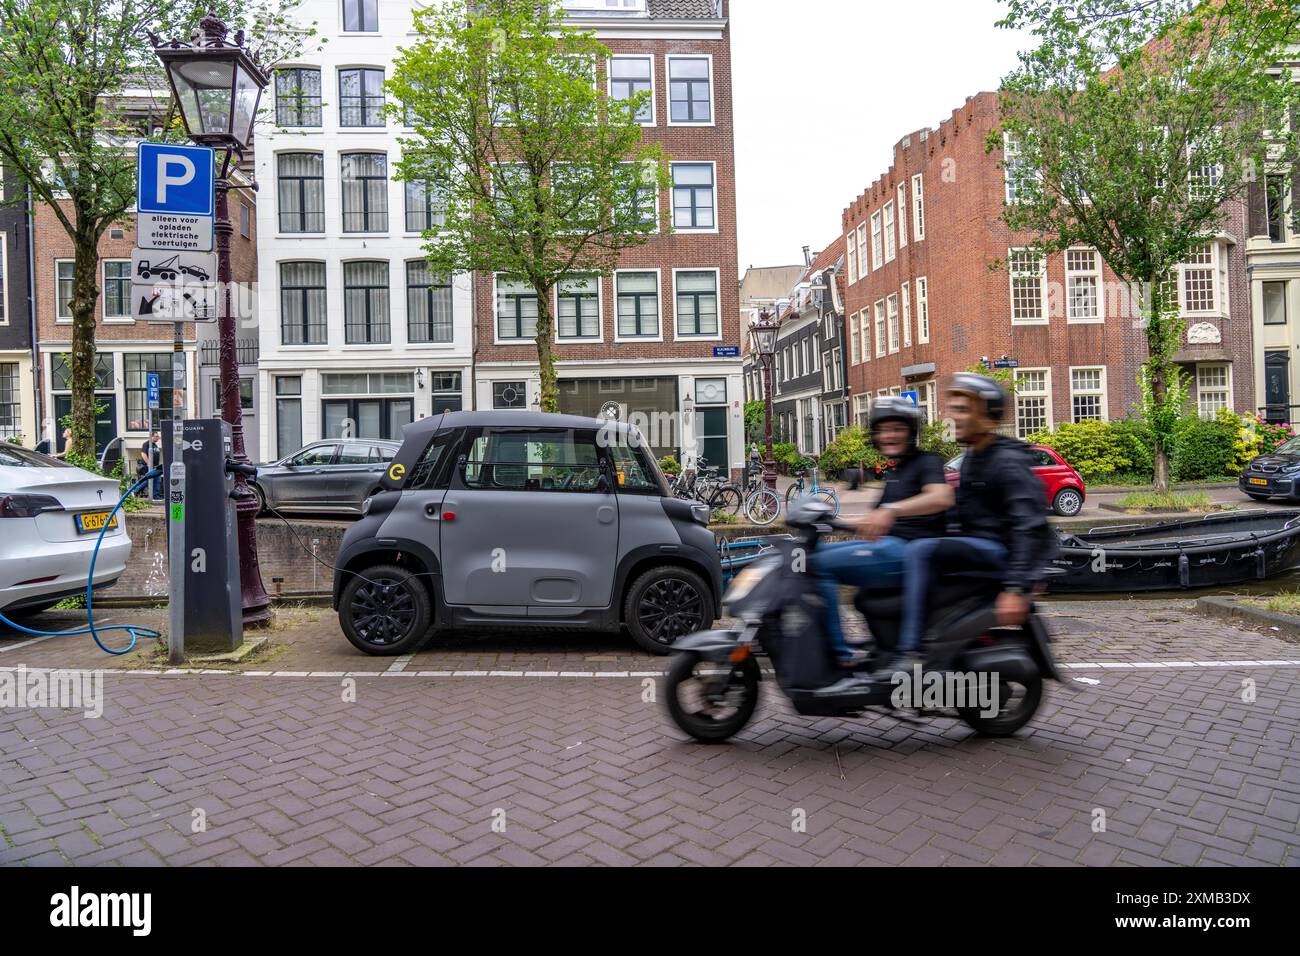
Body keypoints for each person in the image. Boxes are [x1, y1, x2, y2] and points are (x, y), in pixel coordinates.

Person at [878, 372, 1058, 674]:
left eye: (963, 411)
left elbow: (1028, 525)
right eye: (955, 410)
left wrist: (1015, 587)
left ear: (986, 415)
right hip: (983, 544)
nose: (954, 418)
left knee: (920, 551)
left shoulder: (1007, 461)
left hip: (998, 551)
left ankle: (911, 652)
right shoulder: (976, 455)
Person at [809, 397, 954, 666]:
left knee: (817, 565)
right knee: (812, 554)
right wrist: (829, 520)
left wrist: (892, 510)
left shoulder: (927, 462)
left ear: (911, 431)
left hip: (908, 550)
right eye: (883, 429)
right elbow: (873, 521)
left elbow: (941, 497)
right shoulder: (895, 470)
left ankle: (839, 656)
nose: (889, 435)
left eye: (897, 429)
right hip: (891, 545)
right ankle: (876, 647)